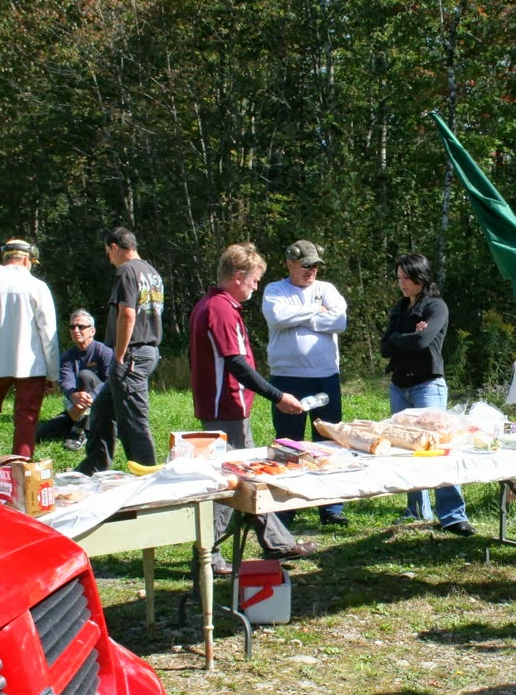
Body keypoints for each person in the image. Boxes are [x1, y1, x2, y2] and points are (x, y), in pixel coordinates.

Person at [189, 242, 316, 563]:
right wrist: (278, 396)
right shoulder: (218, 309)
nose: (256, 286)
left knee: (249, 478)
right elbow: (236, 363)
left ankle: (277, 542)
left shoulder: (216, 304)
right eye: (255, 280)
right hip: (225, 408)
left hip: (226, 406)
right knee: (229, 481)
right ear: (238, 276)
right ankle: (209, 553)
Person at [380, 253, 475, 536]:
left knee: (439, 449)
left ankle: (454, 516)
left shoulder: (436, 306)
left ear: (421, 277)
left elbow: (423, 341)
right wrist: (404, 336)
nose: (402, 284)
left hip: (427, 386)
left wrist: (402, 338)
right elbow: (385, 347)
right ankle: (418, 510)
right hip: (399, 386)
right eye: (398, 278)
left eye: (406, 278)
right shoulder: (399, 308)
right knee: (409, 449)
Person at [262, 239, 349, 527]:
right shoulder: (275, 290)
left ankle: (331, 507)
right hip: (287, 377)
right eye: (306, 265)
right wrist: (315, 312)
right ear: (290, 263)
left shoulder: (327, 290)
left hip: (324, 376)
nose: (311, 270)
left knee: (328, 442)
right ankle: (287, 507)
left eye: (315, 266)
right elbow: (276, 317)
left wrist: (299, 318)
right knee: (289, 444)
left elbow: (339, 321)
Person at [0, 238, 59, 482]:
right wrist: (52, 373)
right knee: (26, 417)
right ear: (27, 259)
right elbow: (48, 334)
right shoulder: (37, 287)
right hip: (31, 366)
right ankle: (21, 470)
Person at [77, 227, 164, 475]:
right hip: (148, 350)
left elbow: (127, 315)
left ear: (115, 247)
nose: (109, 259)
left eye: (108, 252)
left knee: (132, 418)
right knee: (102, 409)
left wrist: (118, 355)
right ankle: (94, 464)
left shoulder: (126, 271)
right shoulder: (151, 272)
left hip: (132, 354)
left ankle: (147, 473)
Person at [36, 309, 114, 451]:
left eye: (81, 327)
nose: (76, 330)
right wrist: (73, 399)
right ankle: (83, 427)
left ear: (92, 331)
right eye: (72, 327)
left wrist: (89, 398)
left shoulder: (104, 352)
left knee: (85, 375)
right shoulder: (67, 357)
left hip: (102, 407)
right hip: (76, 407)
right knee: (41, 433)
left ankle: (78, 432)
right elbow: (66, 383)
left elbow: (110, 382)